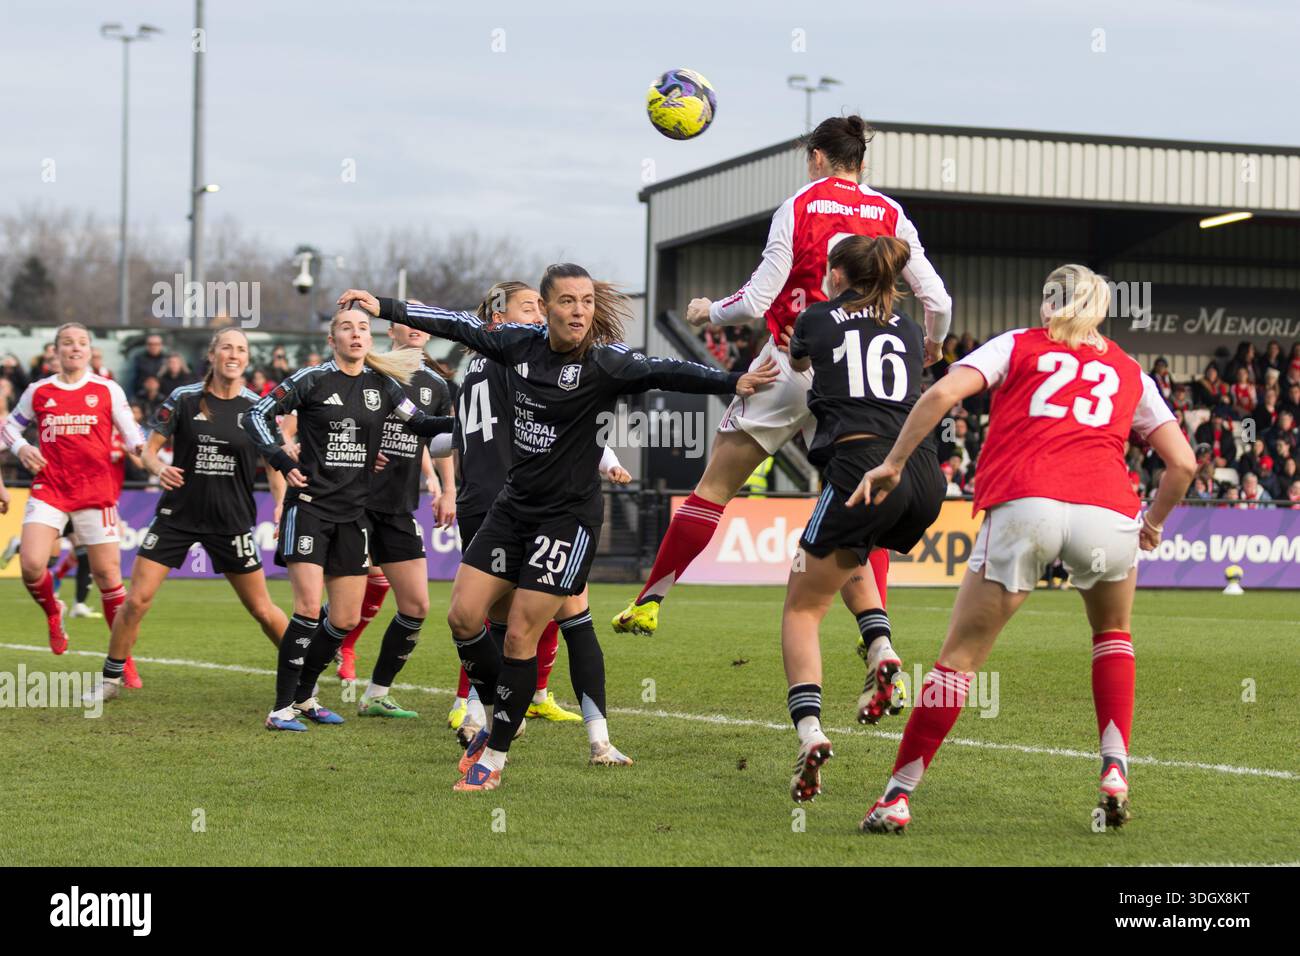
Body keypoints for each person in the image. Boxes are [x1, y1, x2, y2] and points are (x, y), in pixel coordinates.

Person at [338, 262, 780, 790]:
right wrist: (385, 306)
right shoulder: (518, 345)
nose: (579, 311)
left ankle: (493, 759)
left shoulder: (606, 362)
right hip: (512, 508)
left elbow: (667, 370)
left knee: (521, 633)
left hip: (567, 520)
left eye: (587, 301)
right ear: (546, 308)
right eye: (567, 301)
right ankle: (503, 708)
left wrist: (733, 380)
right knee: (462, 617)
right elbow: (457, 323)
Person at [853, 264, 1196, 834]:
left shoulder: (1017, 344)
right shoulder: (1130, 370)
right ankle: (1115, 768)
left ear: (1049, 303)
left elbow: (942, 392)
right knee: (1113, 635)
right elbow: (1183, 463)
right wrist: (1152, 523)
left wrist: (893, 463)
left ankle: (897, 797)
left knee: (960, 659)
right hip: (1108, 512)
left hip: (1026, 504)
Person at [611, 114, 952, 666]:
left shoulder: (798, 206)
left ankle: (651, 600)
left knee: (715, 487)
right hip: (855, 378)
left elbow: (754, 299)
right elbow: (939, 301)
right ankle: (877, 636)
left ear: (816, 156)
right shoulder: (890, 214)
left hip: (789, 363)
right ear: (862, 161)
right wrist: (932, 344)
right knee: (859, 502)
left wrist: (707, 311)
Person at [777, 235, 944, 803]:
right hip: (922, 475)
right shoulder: (911, 329)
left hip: (862, 466)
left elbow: (798, 362)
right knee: (853, 549)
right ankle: (880, 646)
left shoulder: (817, 317)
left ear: (838, 275)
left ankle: (810, 732)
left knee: (802, 606)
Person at [242, 309, 454, 732]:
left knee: (344, 618)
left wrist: (473, 421)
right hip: (310, 508)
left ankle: (305, 698)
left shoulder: (384, 385)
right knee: (307, 610)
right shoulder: (312, 379)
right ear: (332, 339)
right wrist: (282, 459)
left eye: (362, 328)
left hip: (353, 513)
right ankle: (280, 709)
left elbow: (421, 423)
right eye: (346, 328)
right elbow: (255, 414)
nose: (356, 334)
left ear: (370, 340)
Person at [84, 329, 291, 702]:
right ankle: (110, 680)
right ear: (212, 355)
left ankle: (303, 674)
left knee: (262, 609)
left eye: (241, 349)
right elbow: (148, 451)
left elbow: (275, 465)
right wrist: (157, 468)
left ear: (247, 359)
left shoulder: (258, 408)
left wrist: (280, 504)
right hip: (176, 516)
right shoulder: (184, 398)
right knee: (136, 601)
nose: (234, 354)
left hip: (230, 521)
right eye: (226, 347)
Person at [445, 281, 613, 736]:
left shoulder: (470, 371)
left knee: (489, 618)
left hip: (478, 501)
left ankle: (488, 709)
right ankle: (592, 735)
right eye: (529, 309)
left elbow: (453, 438)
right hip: (522, 503)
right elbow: (567, 419)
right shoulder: (518, 358)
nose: (539, 317)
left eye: (541, 308)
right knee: (572, 614)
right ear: (500, 319)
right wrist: (607, 458)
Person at [334, 313, 458, 719]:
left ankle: (376, 694)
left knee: (417, 605)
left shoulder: (436, 385)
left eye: (422, 319)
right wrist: (360, 450)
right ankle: (302, 688)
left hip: (399, 506)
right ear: (391, 330)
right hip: (355, 502)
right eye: (407, 319)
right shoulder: (370, 369)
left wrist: (446, 489)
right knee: (347, 606)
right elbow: (338, 421)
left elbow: (437, 442)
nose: (416, 325)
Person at [0, 323, 144, 670]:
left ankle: (124, 662)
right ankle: (54, 611)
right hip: (50, 488)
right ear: (56, 350)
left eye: (81, 343)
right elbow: (8, 428)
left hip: (95, 491)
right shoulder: (38, 391)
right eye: (67, 342)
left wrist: (150, 455)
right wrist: (22, 448)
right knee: (31, 565)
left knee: (108, 576)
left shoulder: (107, 390)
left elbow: (134, 436)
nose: (75, 348)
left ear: (90, 351)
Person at [131, 333, 166, 398]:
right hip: (142, 395)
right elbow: (136, 378)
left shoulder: (167, 359)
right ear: (146, 345)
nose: (153, 347)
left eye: (156, 344)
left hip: (164, 395)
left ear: (161, 345)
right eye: (150, 344)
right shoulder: (139, 358)